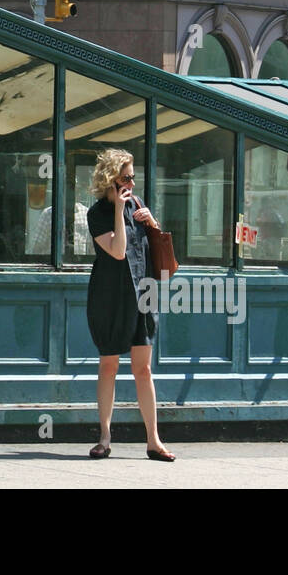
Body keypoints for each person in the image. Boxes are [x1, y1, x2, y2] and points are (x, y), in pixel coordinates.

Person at [85, 148, 175, 462]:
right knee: (109, 365)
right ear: (111, 179)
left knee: (143, 368)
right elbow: (119, 251)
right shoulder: (97, 213)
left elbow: (156, 249)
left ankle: (153, 440)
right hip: (111, 296)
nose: (132, 184)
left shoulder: (137, 205)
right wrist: (119, 213)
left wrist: (152, 221)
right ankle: (105, 437)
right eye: (126, 178)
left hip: (143, 292)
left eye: (133, 177)